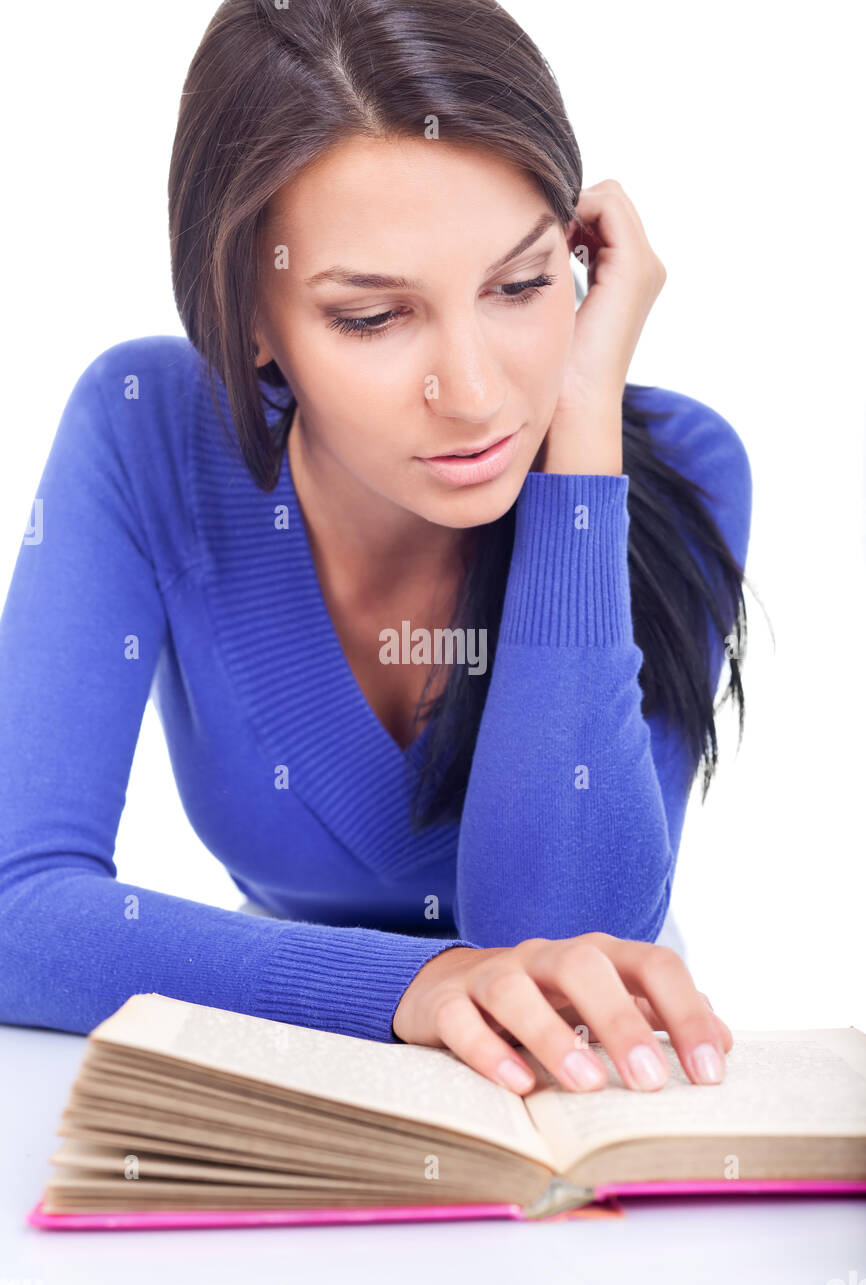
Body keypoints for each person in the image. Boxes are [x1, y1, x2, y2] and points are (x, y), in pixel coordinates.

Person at [0, 0, 750, 1098]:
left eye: (520, 284)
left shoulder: (676, 469)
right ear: (247, 312)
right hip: (290, 1076)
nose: (477, 395)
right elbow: (18, 907)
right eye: (371, 318)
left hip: (591, 1105)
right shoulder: (145, 429)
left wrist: (580, 448)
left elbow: (559, 951)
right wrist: (408, 987)